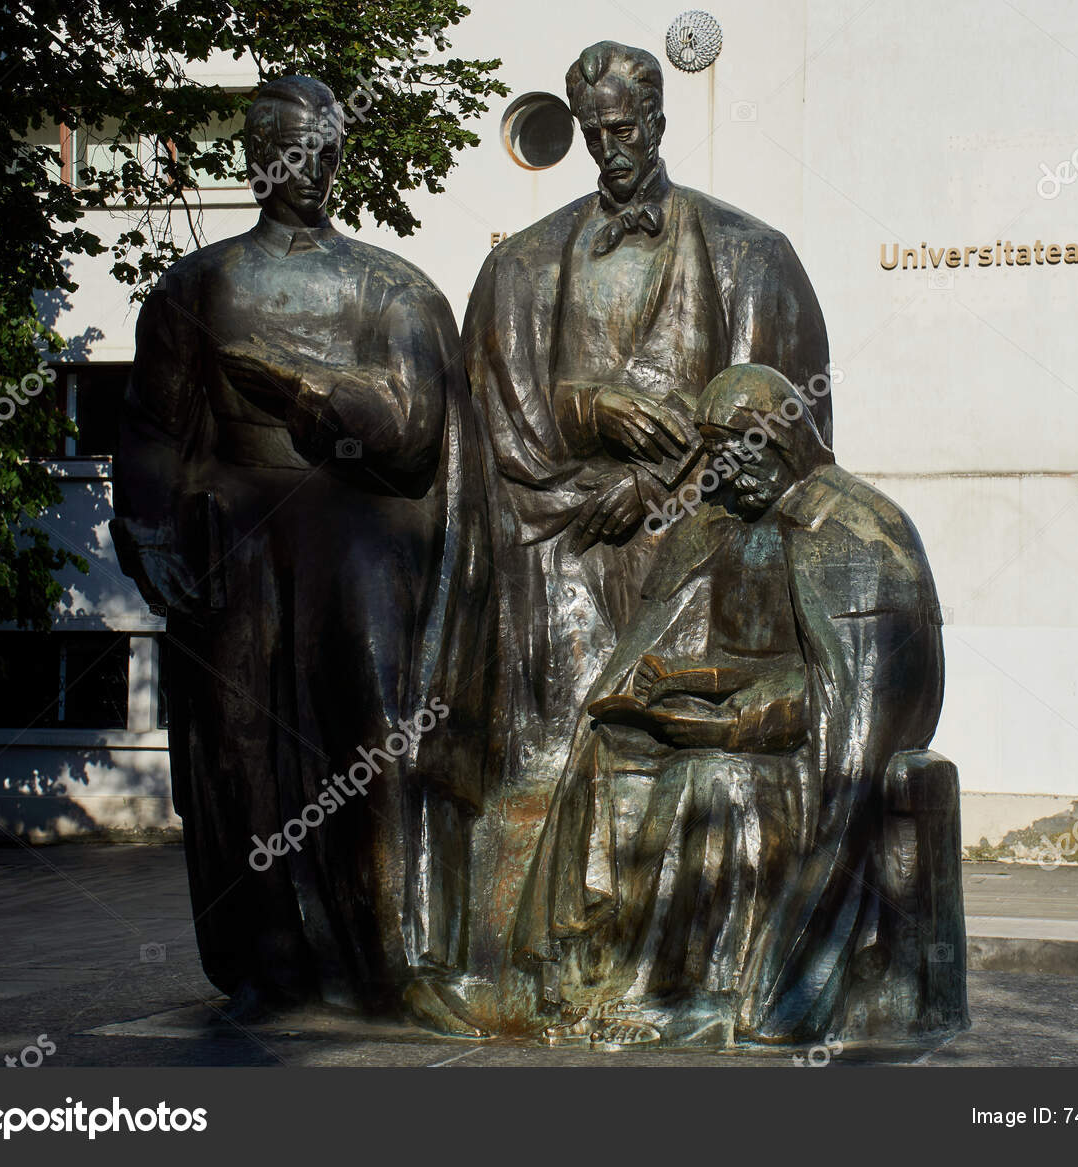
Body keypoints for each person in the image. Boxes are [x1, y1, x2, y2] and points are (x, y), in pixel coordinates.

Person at [112, 76, 494, 1033]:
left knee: (375, 733)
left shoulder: (390, 286)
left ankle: (398, 959)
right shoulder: (196, 287)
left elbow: (413, 430)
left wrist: (300, 388)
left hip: (360, 535)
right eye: (292, 150)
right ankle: (270, 962)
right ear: (253, 159)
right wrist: (150, 534)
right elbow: (153, 429)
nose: (312, 168)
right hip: (237, 535)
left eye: (327, 150)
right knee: (241, 751)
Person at [511, 364, 945, 1045]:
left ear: (783, 443)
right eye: (713, 453)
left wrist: (734, 725)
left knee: (710, 778)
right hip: (764, 735)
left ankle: (697, 990)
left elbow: (858, 712)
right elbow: (768, 659)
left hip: (816, 768)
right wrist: (686, 679)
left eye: (737, 450)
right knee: (607, 748)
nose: (723, 471)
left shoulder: (857, 531)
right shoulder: (732, 522)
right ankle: (591, 966)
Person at [462, 41, 831, 773]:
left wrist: (663, 483)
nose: (607, 150)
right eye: (591, 133)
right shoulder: (521, 266)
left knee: (665, 754)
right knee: (545, 753)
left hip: (697, 541)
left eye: (622, 130)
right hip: (563, 539)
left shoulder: (750, 253)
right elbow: (494, 423)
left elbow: (783, 442)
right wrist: (587, 409)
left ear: (656, 121)